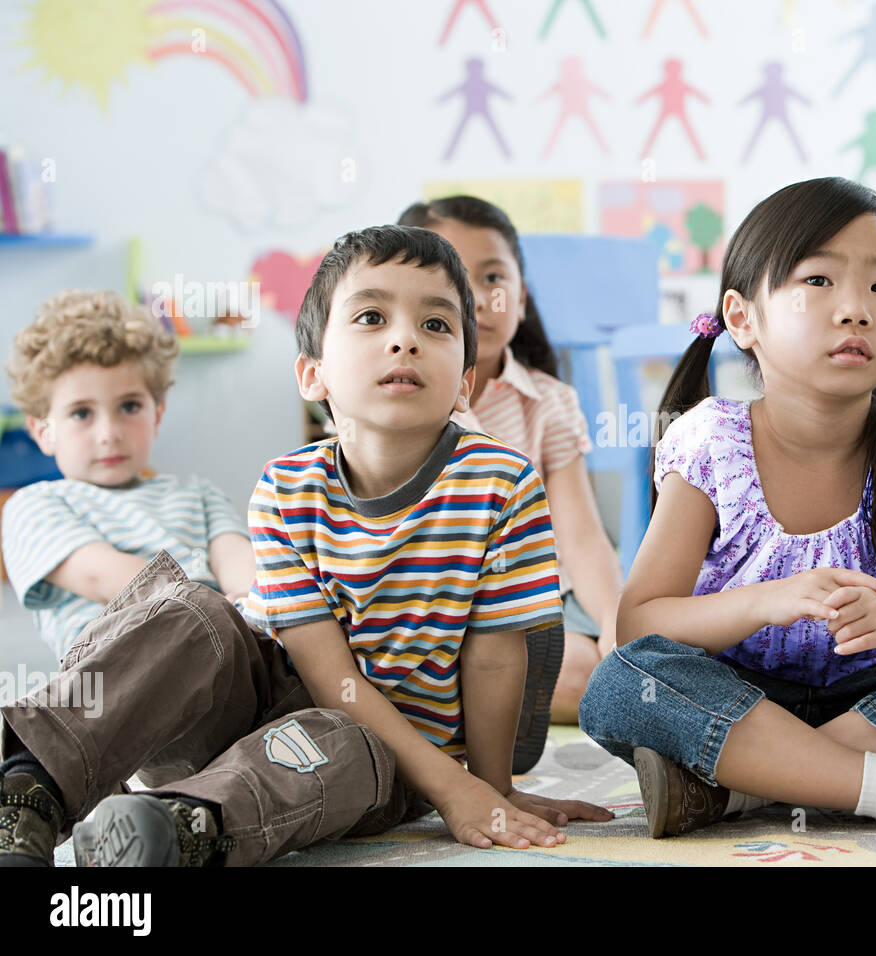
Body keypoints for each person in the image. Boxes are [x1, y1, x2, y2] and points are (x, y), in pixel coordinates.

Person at [0, 226, 610, 868]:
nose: (404, 338)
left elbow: (492, 660)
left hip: (377, 760)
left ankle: (174, 830)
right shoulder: (285, 489)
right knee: (198, 609)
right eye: (372, 317)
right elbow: (330, 676)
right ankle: (27, 792)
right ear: (313, 374)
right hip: (255, 700)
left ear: (463, 383)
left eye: (436, 325)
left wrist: (484, 789)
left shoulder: (501, 483)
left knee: (339, 743)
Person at [578, 178, 876, 839]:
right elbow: (640, 624)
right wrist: (767, 601)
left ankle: (741, 790)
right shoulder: (711, 442)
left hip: (873, 705)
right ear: (743, 318)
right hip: (734, 698)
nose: (856, 308)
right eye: (819, 282)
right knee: (623, 683)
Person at [398, 197, 623, 734]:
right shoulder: (397, 396)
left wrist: (620, 628)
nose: (477, 297)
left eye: (494, 276)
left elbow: (582, 538)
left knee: (599, 667)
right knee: (560, 676)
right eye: (453, 275)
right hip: (434, 604)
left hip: (544, 601)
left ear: (521, 299)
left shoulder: (550, 402)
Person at [1, 290, 253, 662]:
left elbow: (238, 560)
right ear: (43, 431)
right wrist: (216, 612)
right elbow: (103, 575)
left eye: (129, 406)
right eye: (81, 413)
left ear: (157, 414)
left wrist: (261, 600)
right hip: (124, 670)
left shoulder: (198, 494)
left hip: (228, 653)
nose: (109, 433)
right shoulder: (33, 506)